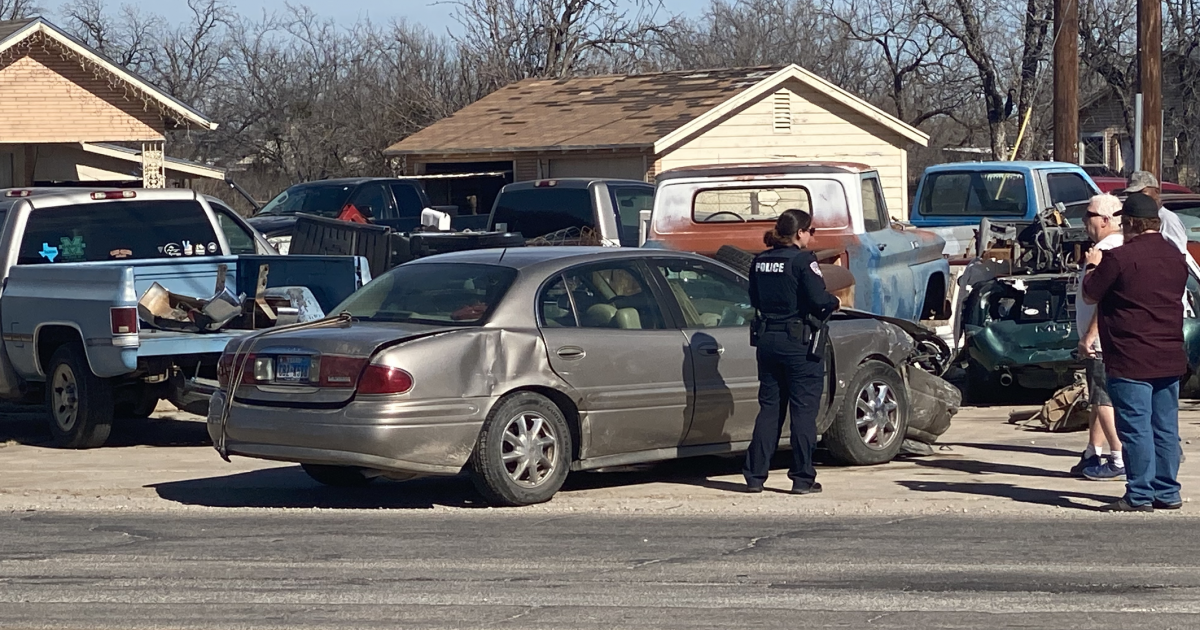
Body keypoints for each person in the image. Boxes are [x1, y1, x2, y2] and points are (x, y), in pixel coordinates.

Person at [1083, 192, 1187, 512]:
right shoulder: (1175, 256)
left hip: (1131, 355)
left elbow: (1090, 294)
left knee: (1136, 426)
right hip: (1169, 353)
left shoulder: (1118, 258)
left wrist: (1091, 267)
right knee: (1166, 427)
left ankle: (1140, 493)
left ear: (1127, 223)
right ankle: (1167, 490)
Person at [743, 209, 839, 495]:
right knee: (803, 412)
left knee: (769, 410)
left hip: (768, 340)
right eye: (812, 231)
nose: (812, 236)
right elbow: (819, 300)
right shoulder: (802, 260)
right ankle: (802, 477)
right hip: (798, 344)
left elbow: (754, 299)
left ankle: (755, 476)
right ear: (800, 233)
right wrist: (834, 301)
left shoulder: (760, 260)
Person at [1072, 194, 1125, 481]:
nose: (1084, 221)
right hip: (1098, 338)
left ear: (1105, 220)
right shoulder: (1110, 246)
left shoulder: (1107, 250)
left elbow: (1102, 298)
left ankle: (1118, 457)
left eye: (1088, 215)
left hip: (1101, 340)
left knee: (1103, 397)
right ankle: (1093, 450)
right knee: (1097, 396)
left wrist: (1090, 335)